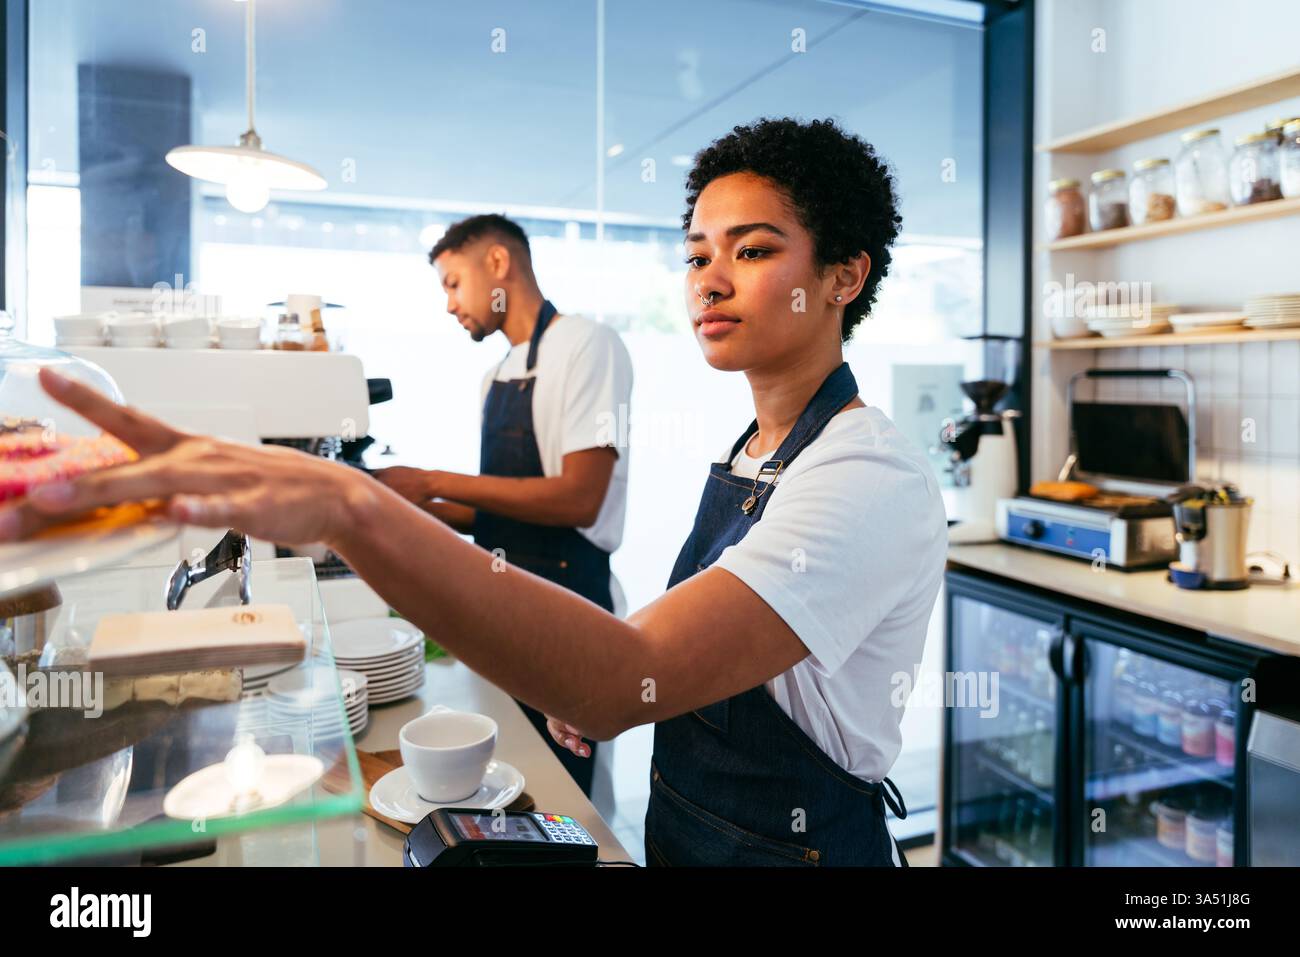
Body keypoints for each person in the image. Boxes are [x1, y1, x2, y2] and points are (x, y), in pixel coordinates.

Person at [2, 117, 947, 866]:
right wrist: (651, 680)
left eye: (750, 250)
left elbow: (620, 659)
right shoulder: (757, 446)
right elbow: (717, 634)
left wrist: (349, 499)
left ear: (843, 276)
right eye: (697, 254)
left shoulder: (866, 474)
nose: (709, 279)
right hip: (696, 833)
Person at [372, 213, 633, 797]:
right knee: (513, 779)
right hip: (506, 600)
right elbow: (509, 508)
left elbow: (578, 498)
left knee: (562, 797)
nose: (448, 304)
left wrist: (432, 479)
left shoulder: (589, 345)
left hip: (571, 605)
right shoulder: (495, 376)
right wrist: (400, 506)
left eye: (451, 282)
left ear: (496, 263)